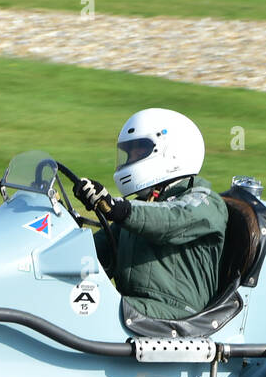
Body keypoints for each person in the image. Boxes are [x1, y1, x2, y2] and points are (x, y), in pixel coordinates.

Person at [73, 108, 227, 321]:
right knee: (71, 301)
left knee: (93, 312)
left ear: (172, 151)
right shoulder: (140, 208)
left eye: (140, 151)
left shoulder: (205, 200)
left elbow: (171, 220)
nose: (131, 158)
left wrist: (117, 208)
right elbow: (91, 256)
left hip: (178, 314)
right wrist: (62, 229)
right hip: (136, 309)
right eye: (130, 153)